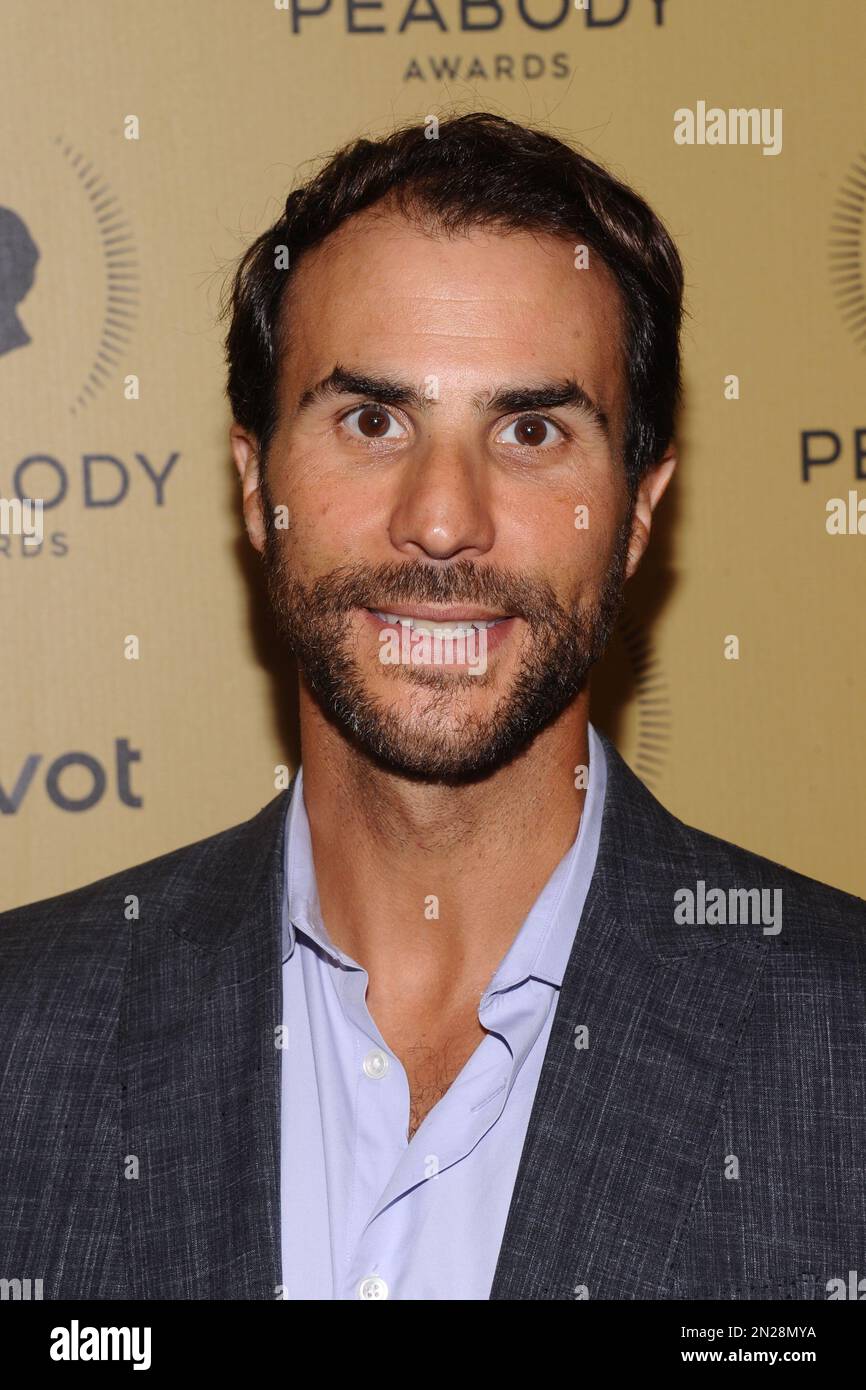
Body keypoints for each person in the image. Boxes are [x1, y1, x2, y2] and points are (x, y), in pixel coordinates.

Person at [1, 112, 864, 1302]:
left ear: (639, 512)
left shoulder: (844, 1055)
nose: (444, 517)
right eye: (372, 420)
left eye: (528, 429)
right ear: (256, 487)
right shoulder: (23, 1039)